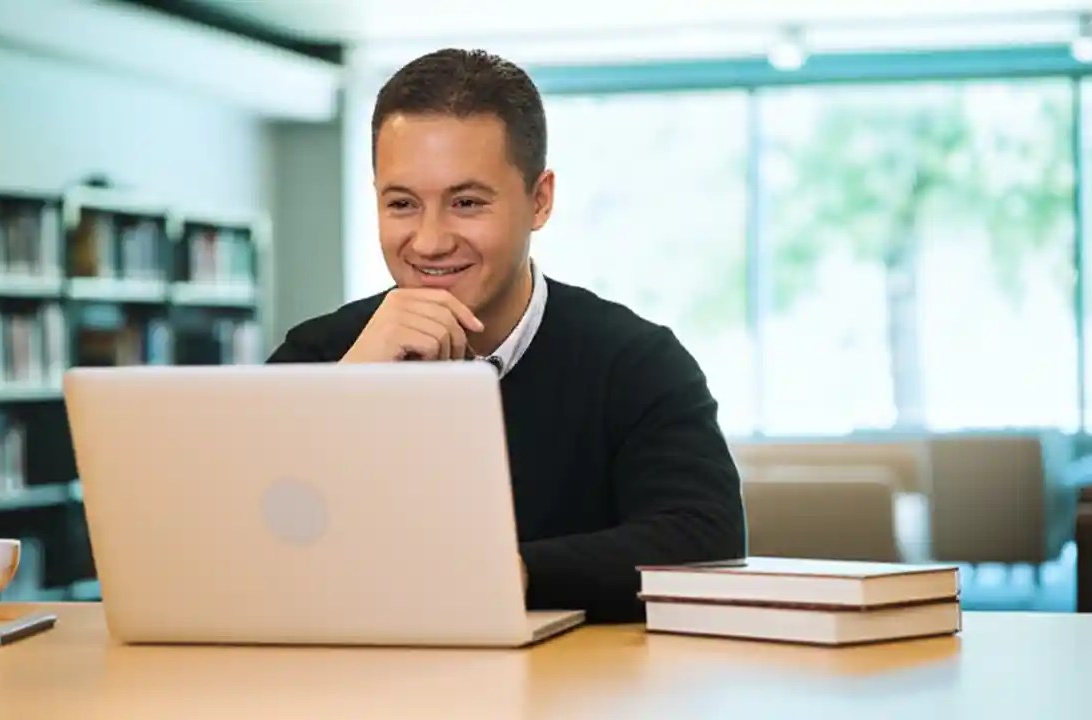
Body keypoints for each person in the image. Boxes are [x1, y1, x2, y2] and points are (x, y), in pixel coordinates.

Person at [267, 48, 746, 622]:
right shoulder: (317, 356)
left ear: (539, 200)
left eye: (466, 203)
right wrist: (346, 394)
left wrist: (504, 574)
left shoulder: (637, 361)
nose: (429, 240)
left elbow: (705, 542)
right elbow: (232, 537)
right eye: (401, 204)